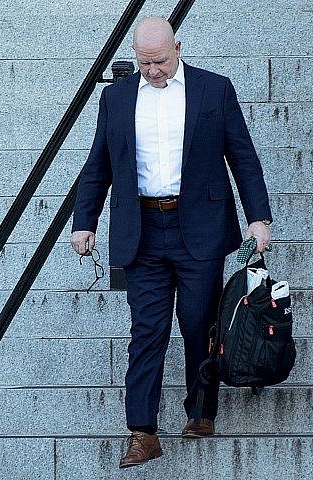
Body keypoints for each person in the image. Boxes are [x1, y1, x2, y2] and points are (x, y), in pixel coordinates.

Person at [70, 17, 273, 468]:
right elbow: (98, 163)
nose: (153, 70)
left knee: (198, 324)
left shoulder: (214, 90)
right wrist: (84, 222)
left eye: (160, 61)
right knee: (147, 330)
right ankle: (142, 432)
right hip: (141, 230)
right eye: (144, 63)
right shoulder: (116, 97)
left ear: (177, 48)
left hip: (198, 226)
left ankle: (201, 413)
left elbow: (242, 156)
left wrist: (258, 219)